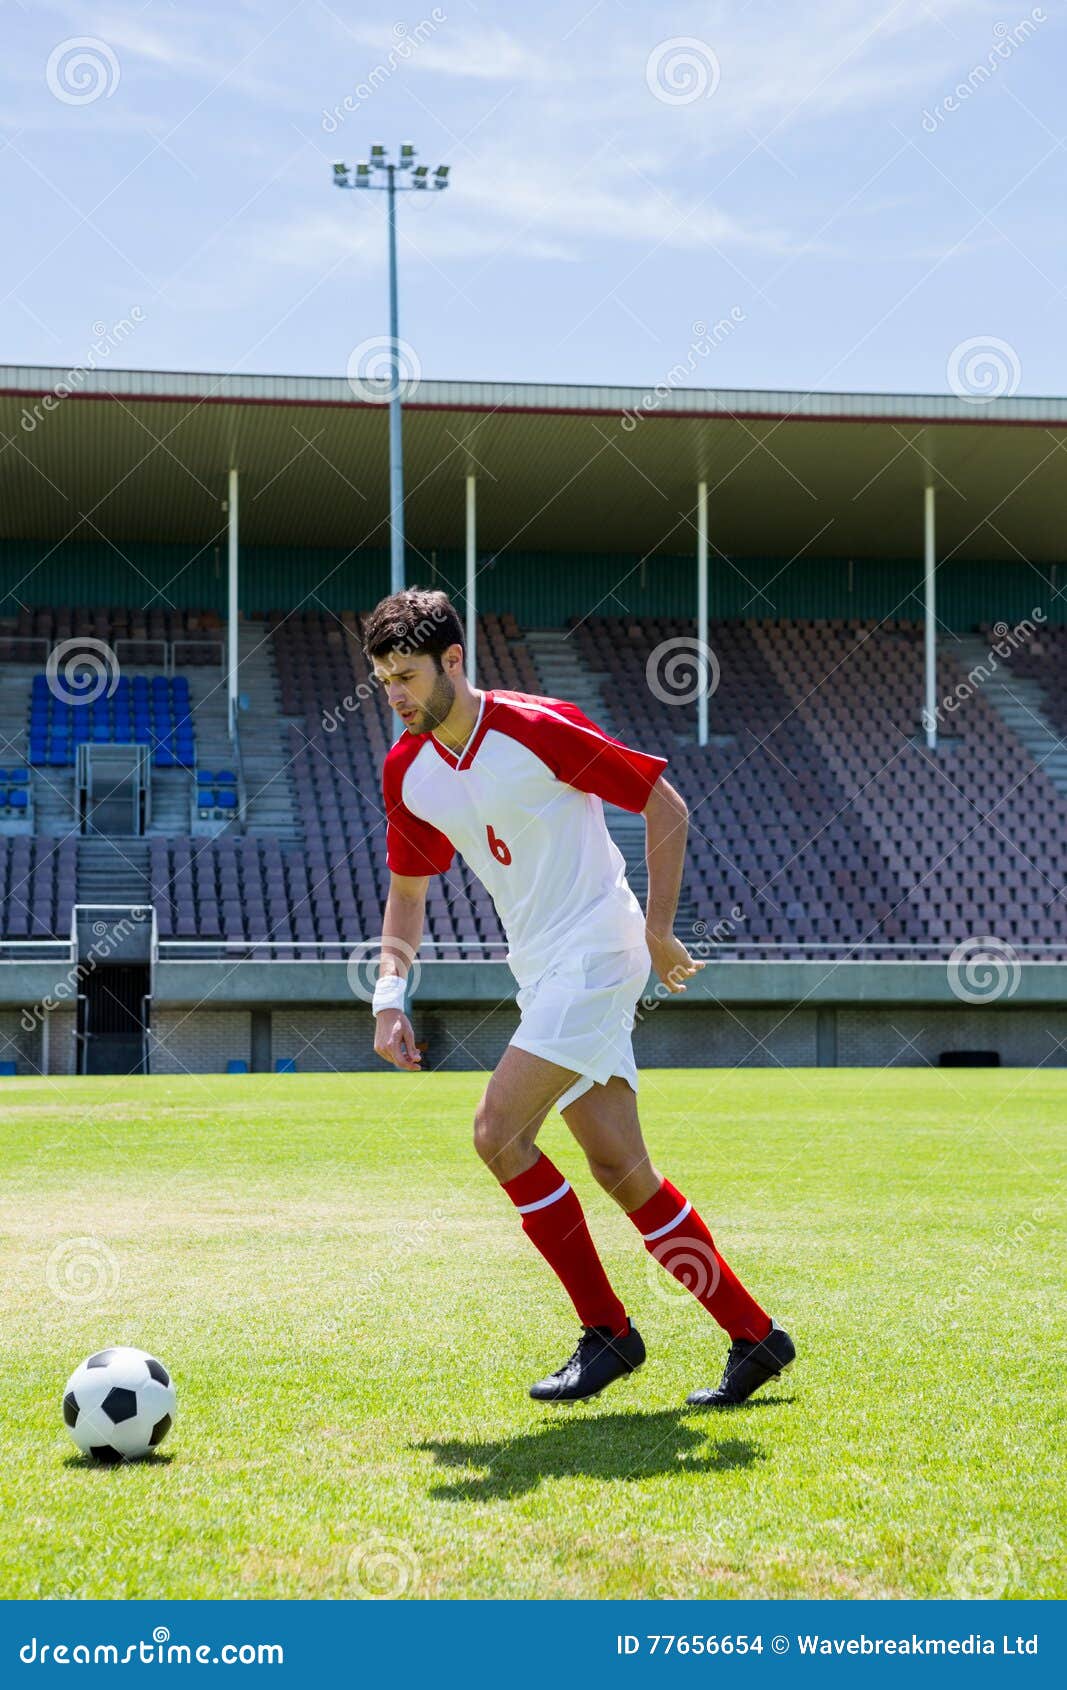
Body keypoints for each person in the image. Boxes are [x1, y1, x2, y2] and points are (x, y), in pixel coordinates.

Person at [366, 587, 794, 1407]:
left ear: (453, 661)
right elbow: (407, 894)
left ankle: (607, 1332)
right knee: (620, 1167)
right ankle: (754, 1337)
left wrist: (660, 931)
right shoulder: (408, 770)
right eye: (385, 678)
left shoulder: (537, 725)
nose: (395, 695)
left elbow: (663, 803)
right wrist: (390, 995)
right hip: (539, 970)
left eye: (408, 675)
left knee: (498, 1133)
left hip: (600, 951)